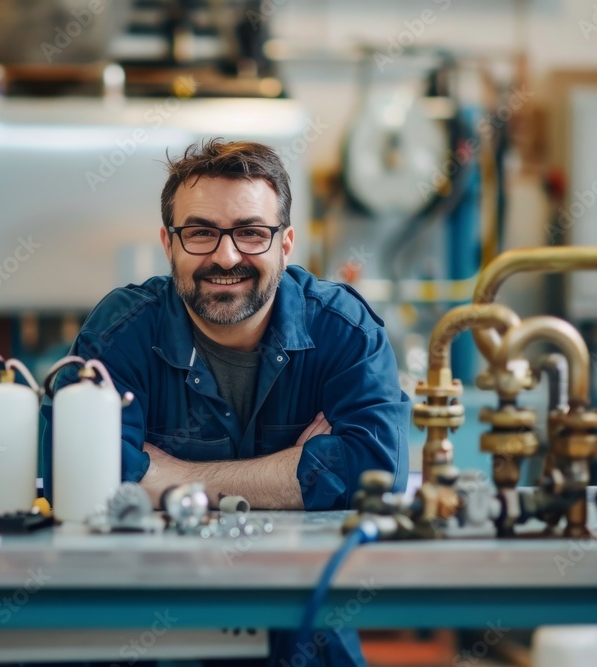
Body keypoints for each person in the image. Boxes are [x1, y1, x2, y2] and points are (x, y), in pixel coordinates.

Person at [43, 138, 410, 667]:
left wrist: (172, 479)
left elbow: (375, 470)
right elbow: (72, 474)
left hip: (302, 631)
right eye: (200, 233)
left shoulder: (343, 331)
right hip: (151, 632)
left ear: (285, 245)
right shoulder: (121, 334)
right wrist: (300, 471)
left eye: (251, 233)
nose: (226, 256)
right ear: (168, 244)